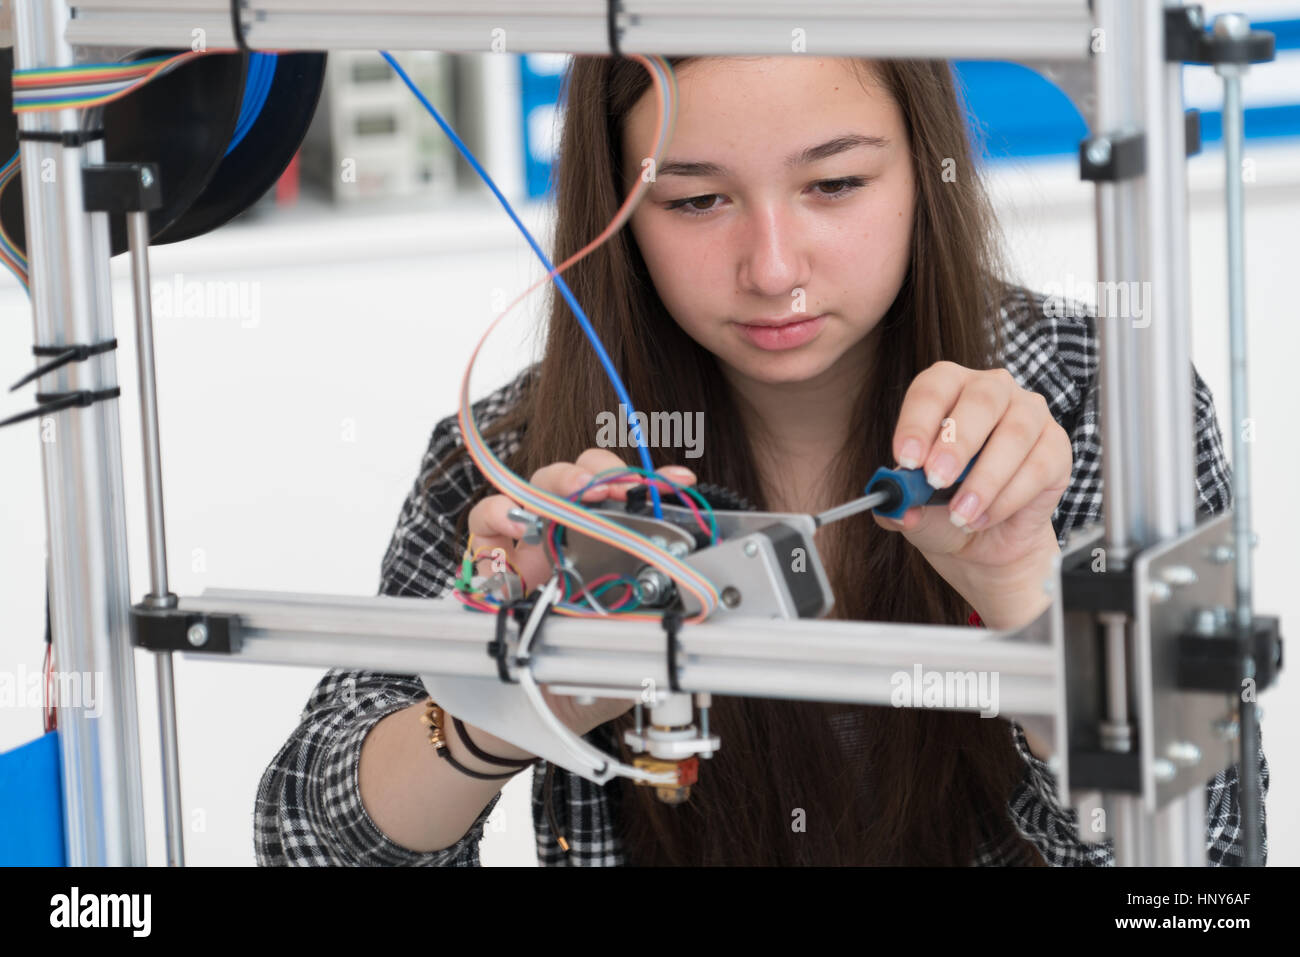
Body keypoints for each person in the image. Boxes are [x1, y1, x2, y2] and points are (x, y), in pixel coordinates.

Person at [254, 54, 1267, 866]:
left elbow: (1207, 869)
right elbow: (308, 841)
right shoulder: (521, 461)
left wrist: (1019, 594)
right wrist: (516, 704)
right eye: (694, 200)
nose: (773, 268)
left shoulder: (1102, 398)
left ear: (925, 166)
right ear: (614, 211)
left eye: (834, 184)